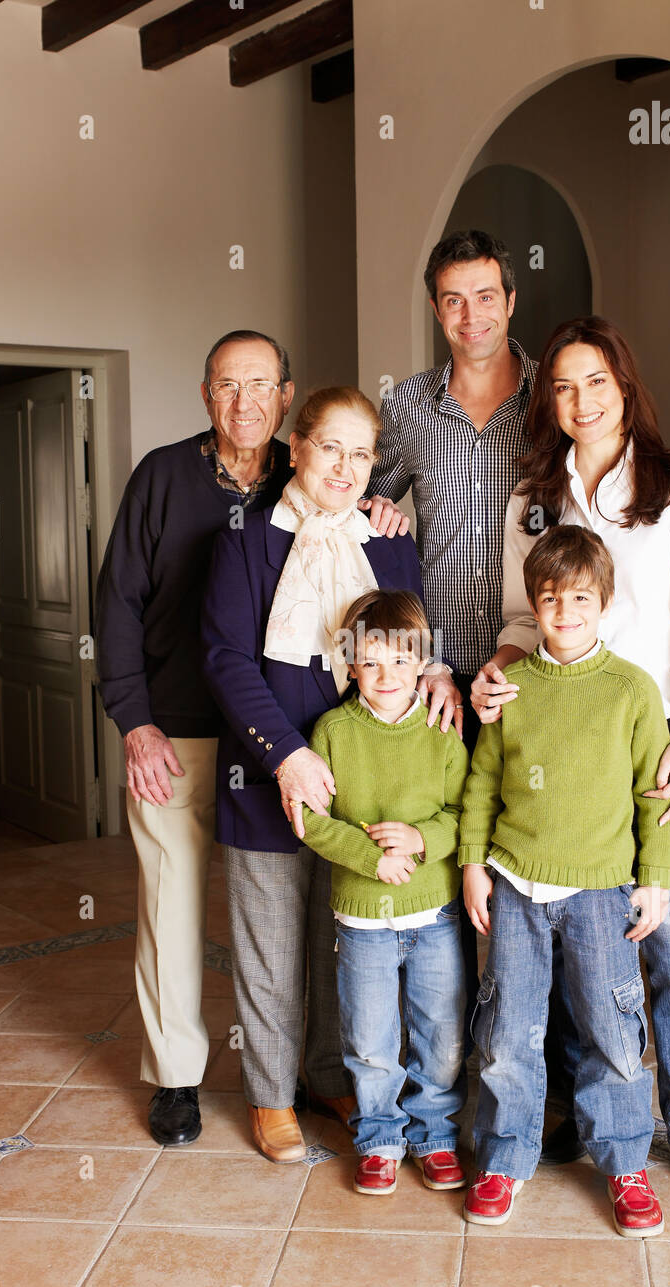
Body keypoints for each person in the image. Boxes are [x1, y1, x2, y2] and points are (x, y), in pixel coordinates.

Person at [366, 229, 670, 1014]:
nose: (471, 315)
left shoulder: (594, 429)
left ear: (510, 301)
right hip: (467, 685)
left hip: (594, 701)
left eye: (486, 296)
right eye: (453, 299)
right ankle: (493, 1078)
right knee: (492, 885)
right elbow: (367, 502)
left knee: (611, 903)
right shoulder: (423, 420)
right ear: (435, 309)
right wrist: (368, 521)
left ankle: (634, 1103)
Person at [472, 315, 670, 1211]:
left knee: (664, 932)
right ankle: (575, 1117)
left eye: (594, 381)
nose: (579, 400)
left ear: (625, 386)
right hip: (554, 742)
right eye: (560, 385)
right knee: (559, 931)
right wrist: (494, 672)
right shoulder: (532, 491)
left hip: (647, 742)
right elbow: (521, 620)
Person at [95, 333, 407, 1149]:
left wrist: (383, 512)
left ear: (284, 401)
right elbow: (118, 605)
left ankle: (318, 1076)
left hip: (302, 739)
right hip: (178, 727)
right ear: (207, 395)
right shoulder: (164, 477)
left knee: (323, 923)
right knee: (175, 900)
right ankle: (178, 1079)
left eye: (260, 386)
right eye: (228, 386)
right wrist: (134, 720)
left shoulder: (314, 481)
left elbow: (393, 622)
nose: (244, 402)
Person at [200, 387, 453, 1164]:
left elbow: (408, 652)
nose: (344, 466)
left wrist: (437, 673)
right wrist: (287, 754)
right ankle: (272, 1096)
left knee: (341, 939)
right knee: (272, 950)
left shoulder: (389, 544)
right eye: (329, 447)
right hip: (268, 776)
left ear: (375, 464)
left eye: (360, 452)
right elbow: (226, 661)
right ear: (297, 447)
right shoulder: (244, 541)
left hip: (369, 784)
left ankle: (324, 1078)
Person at [460, 526, 670, 1234]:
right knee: (507, 1033)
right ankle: (503, 1160)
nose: (564, 611)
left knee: (612, 1035)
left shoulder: (632, 691)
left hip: (601, 893)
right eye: (550, 598)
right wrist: (471, 864)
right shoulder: (510, 687)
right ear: (534, 603)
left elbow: (655, 795)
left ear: (604, 602)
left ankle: (624, 1168)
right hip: (516, 886)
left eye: (580, 597)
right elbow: (482, 783)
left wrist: (655, 879)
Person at [300, 588, 469, 1196]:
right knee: (370, 1040)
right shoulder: (331, 732)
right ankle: (378, 1137)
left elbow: (462, 812)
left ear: (423, 663)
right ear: (350, 664)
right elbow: (312, 821)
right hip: (362, 920)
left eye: (401, 661)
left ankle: (436, 1133)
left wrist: (420, 841)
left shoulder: (441, 727)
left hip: (436, 915)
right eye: (370, 662)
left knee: (441, 1033)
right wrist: (371, 857)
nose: (386, 675)